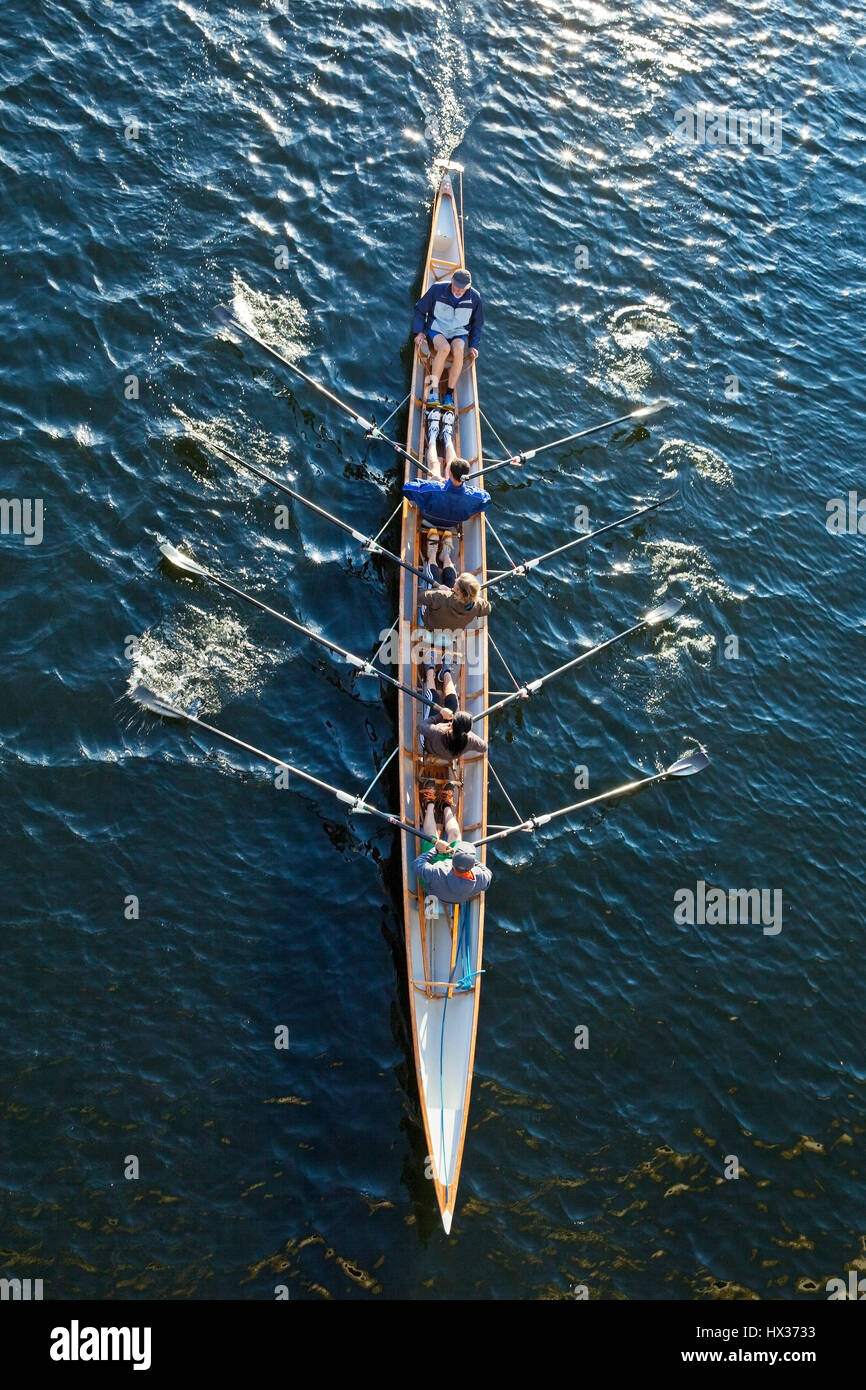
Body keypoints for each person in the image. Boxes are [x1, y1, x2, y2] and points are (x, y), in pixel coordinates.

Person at [412, 268, 484, 410]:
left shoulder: (475, 298)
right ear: (451, 281)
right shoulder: (436, 290)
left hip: (458, 331)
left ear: (468, 287)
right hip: (437, 328)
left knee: (458, 350)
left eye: (462, 289)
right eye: (456, 287)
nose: (458, 291)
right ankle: (433, 391)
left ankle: (449, 395)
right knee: (444, 348)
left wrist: (473, 346)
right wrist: (419, 332)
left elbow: (477, 324)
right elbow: (420, 310)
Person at [413, 780, 492, 906]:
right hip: (453, 889)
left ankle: (429, 804)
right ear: (472, 866)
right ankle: (446, 806)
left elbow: (416, 865)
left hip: (433, 888)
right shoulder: (479, 878)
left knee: (432, 837)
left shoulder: (437, 871)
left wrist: (436, 849)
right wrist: (465, 855)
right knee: (455, 834)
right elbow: (488, 873)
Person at [403, 457, 491, 527]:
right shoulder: (475, 496)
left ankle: (434, 439)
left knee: (435, 466)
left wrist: (432, 481)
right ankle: (447, 438)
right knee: (451, 460)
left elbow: (407, 488)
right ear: (466, 476)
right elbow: (487, 499)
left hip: (428, 517)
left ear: (449, 473)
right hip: (452, 523)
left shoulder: (432, 488)